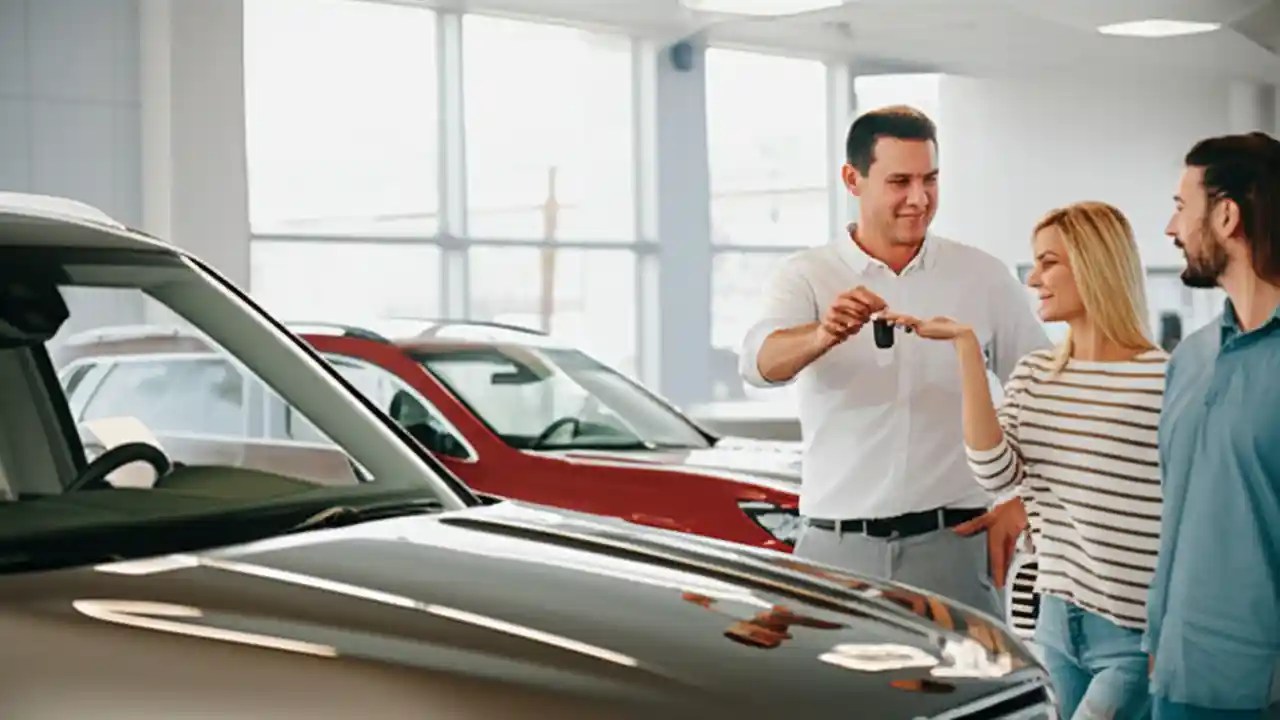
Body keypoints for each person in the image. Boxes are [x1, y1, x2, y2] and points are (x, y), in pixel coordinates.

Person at [738, 104, 1050, 618]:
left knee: (972, 696)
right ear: (852, 179)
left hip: (954, 547)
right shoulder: (808, 275)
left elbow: (1044, 392)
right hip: (835, 551)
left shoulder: (983, 276)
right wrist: (821, 335)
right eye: (899, 181)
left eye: (930, 180)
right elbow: (758, 363)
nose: (919, 199)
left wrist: (1025, 503)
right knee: (832, 699)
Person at [883, 201, 1167, 719]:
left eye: (1049, 262)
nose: (1034, 278)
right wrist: (968, 352)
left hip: (1134, 633)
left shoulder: (1163, 379)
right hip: (1055, 619)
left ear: (1094, 264)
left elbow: (1190, 516)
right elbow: (996, 473)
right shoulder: (1037, 374)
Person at [1145, 131, 1280, 720]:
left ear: (1226, 215)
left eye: (1181, 207)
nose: (1171, 229)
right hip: (1175, 672)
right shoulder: (1190, 358)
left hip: (1260, 687)